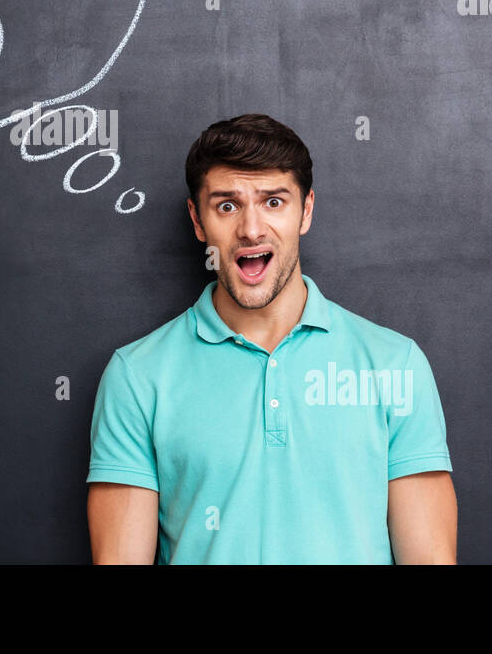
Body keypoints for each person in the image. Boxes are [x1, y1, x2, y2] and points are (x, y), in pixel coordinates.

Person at [86, 114, 457, 563]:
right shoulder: (137, 377)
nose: (251, 229)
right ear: (197, 220)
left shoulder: (395, 365)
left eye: (274, 202)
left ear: (307, 210)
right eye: (227, 205)